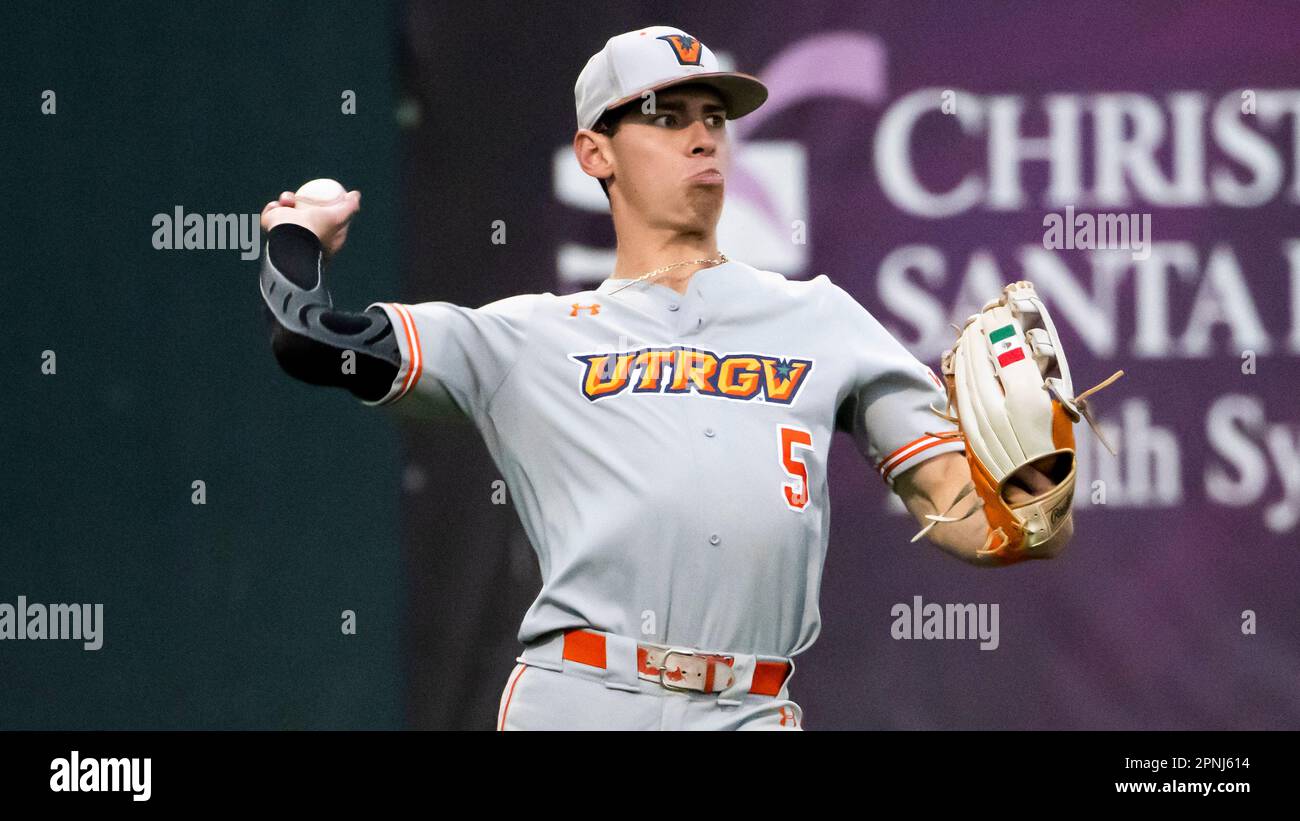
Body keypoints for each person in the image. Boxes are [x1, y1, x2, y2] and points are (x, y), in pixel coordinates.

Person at [257, 25, 1068, 731]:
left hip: (753, 705)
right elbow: (309, 340)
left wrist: (1042, 491)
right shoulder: (527, 337)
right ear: (594, 153)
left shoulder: (822, 317)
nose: (702, 137)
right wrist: (294, 238)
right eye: (665, 117)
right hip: (581, 698)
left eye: (713, 117)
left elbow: (962, 506)